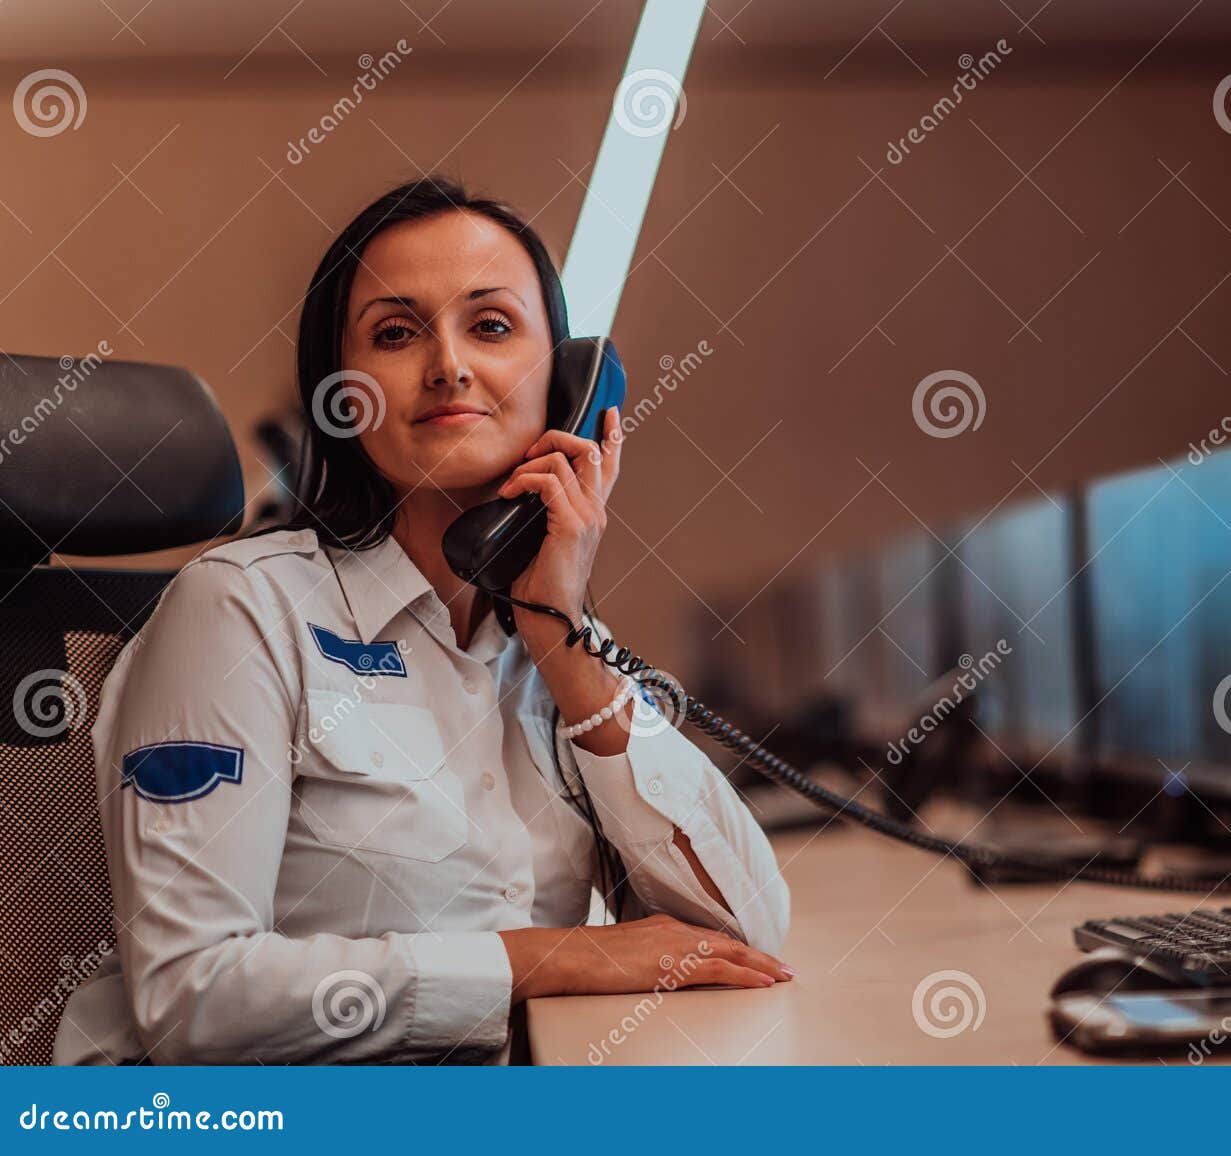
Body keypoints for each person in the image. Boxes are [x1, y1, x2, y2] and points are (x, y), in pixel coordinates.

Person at [53, 178, 791, 1065]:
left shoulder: (549, 645)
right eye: (397, 334)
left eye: (490, 326)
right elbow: (193, 1002)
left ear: (568, 387)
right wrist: (543, 958)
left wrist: (565, 652)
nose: (448, 364)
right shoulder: (240, 608)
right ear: (341, 393)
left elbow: (745, 934)